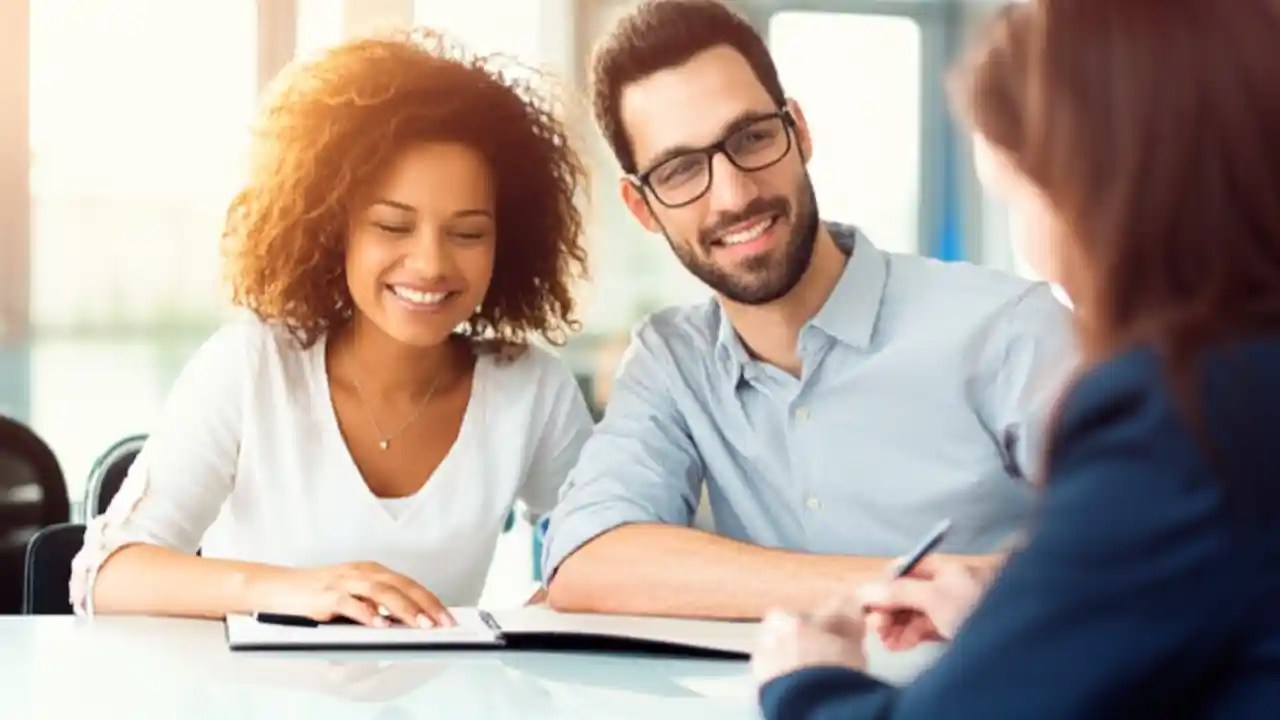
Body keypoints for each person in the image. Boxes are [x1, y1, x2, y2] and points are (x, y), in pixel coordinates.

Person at [752, 1, 1280, 717]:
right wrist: (1033, 614)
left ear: (1096, 189)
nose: (1028, 242)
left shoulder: (1177, 415)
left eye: (1016, 195)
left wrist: (805, 681)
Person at [541, 0, 1075, 620]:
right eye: (681, 169)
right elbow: (586, 559)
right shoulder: (671, 363)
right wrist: (908, 586)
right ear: (642, 207)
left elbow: (1151, 543)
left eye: (753, 138)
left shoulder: (1009, 329)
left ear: (799, 131)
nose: (735, 195)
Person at [69, 28, 594, 628]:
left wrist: (534, 622)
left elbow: (607, 557)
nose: (430, 264)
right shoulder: (251, 368)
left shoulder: (530, 391)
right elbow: (105, 576)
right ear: (332, 225)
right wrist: (300, 591)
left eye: (468, 233)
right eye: (393, 227)